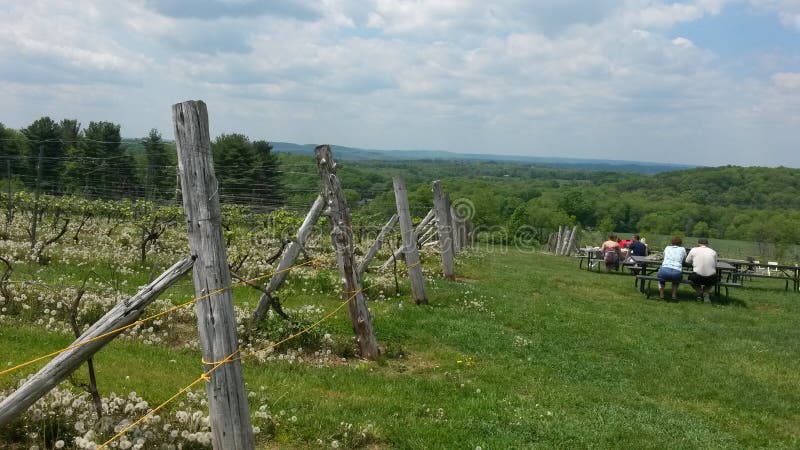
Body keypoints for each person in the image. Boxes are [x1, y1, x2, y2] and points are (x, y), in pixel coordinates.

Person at [686, 237, 718, 302]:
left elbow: (687, 261)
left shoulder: (693, 250)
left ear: (698, 244)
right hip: (711, 278)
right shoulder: (713, 252)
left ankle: (699, 292)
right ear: (707, 244)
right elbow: (715, 265)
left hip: (697, 277)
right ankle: (706, 293)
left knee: (690, 278)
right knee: (713, 279)